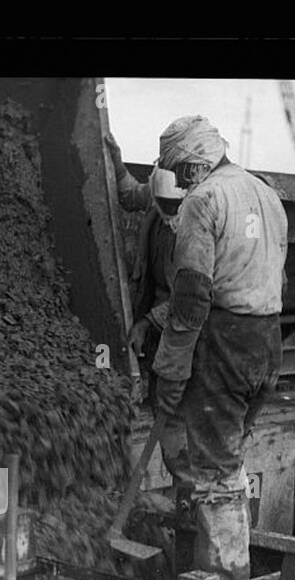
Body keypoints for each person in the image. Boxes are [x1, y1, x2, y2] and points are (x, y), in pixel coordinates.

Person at [152, 116, 288, 580]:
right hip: (267, 343)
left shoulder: (202, 201)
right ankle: (226, 575)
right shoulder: (266, 194)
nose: (183, 180)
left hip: (225, 344)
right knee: (229, 463)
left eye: (181, 170)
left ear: (193, 164)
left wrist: (169, 367)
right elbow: (280, 280)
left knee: (214, 475)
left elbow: (191, 297)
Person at [104, 135, 191, 484]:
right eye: (163, 206)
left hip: (184, 325)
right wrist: (118, 163)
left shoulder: (200, 221)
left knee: (176, 414)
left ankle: (188, 483)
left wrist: (147, 322)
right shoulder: (158, 192)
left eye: (174, 206)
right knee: (162, 406)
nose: (169, 213)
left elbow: (194, 297)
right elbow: (129, 195)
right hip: (156, 319)